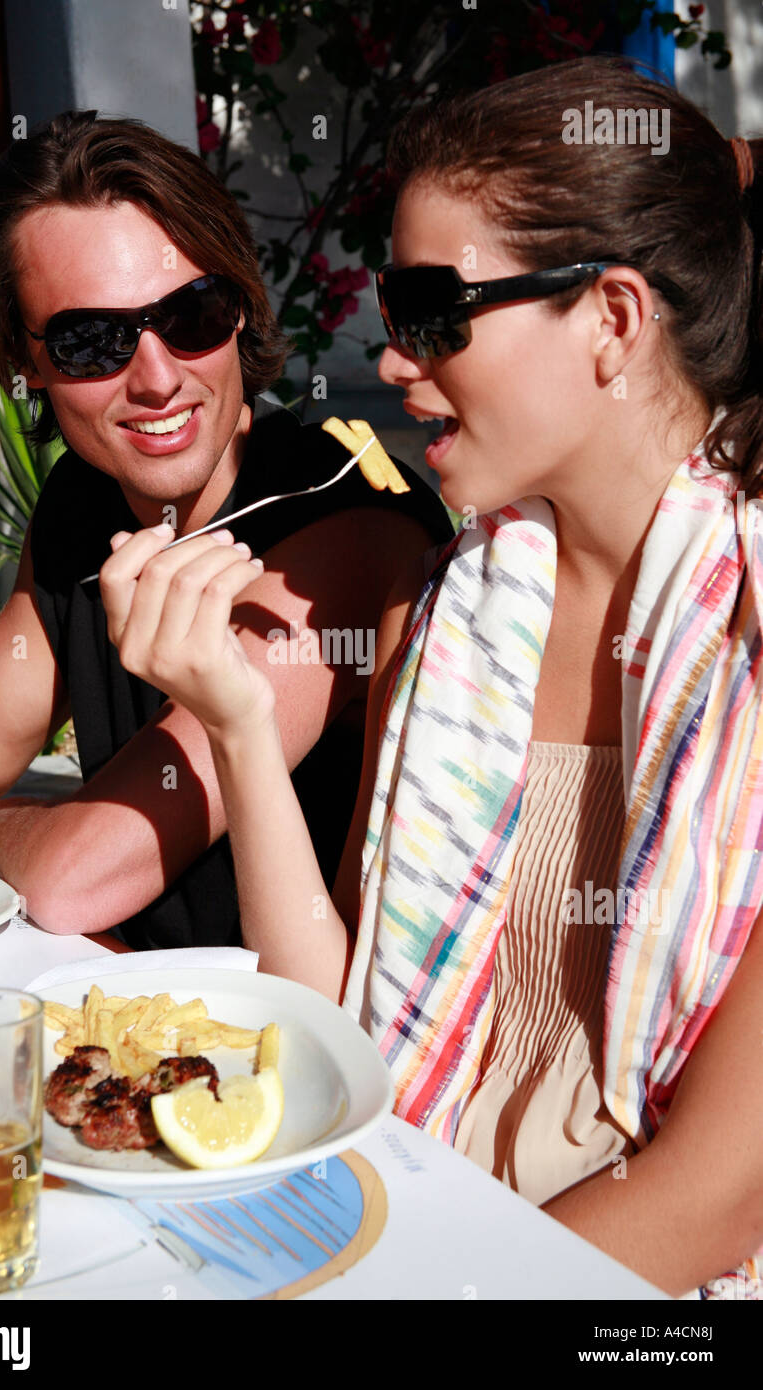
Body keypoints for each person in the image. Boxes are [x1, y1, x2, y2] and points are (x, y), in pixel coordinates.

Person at [99, 59, 763, 1299]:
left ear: (613, 318)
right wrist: (241, 730)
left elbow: (720, 1191)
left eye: (430, 311)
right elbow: (341, 1032)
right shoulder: (444, 606)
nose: (394, 361)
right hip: (403, 1229)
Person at [0, 111, 453, 947]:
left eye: (191, 314)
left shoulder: (344, 530)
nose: (156, 378)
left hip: (284, 1046)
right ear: (25, 364)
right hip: (133, 1008)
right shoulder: (87, 495)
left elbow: (73, 879)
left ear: (240, 310)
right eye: (91, 342)